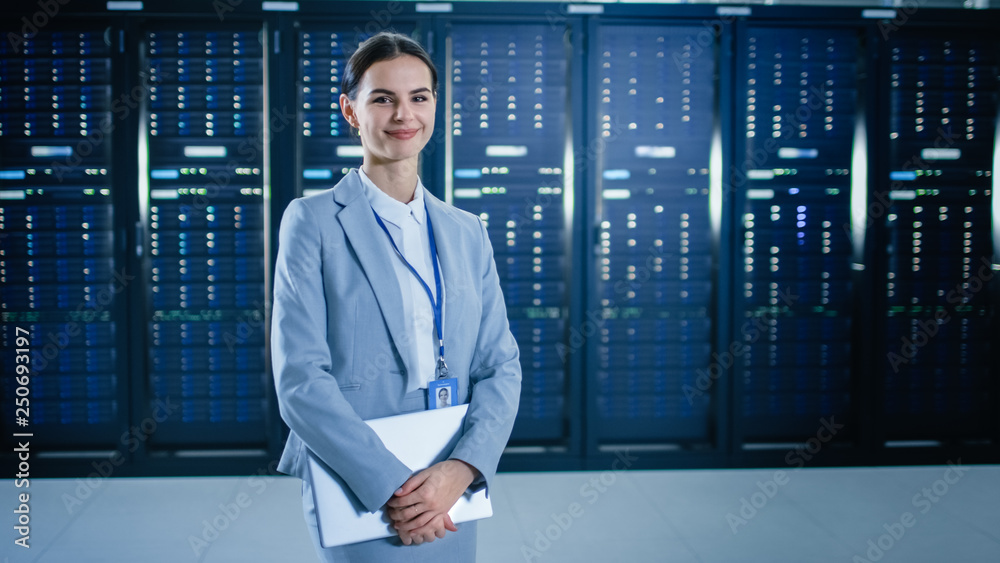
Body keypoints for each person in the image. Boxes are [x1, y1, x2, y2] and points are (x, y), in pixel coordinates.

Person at [270, 31, 521, 562]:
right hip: (361, 480)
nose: (403, 114)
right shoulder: (311, 222)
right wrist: (393, 487)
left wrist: (464, 468)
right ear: (351, 110)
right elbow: (300, 381)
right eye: (383, 98)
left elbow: (501, 365)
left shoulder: (466, 230)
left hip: (449, 478)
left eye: (419, 97)